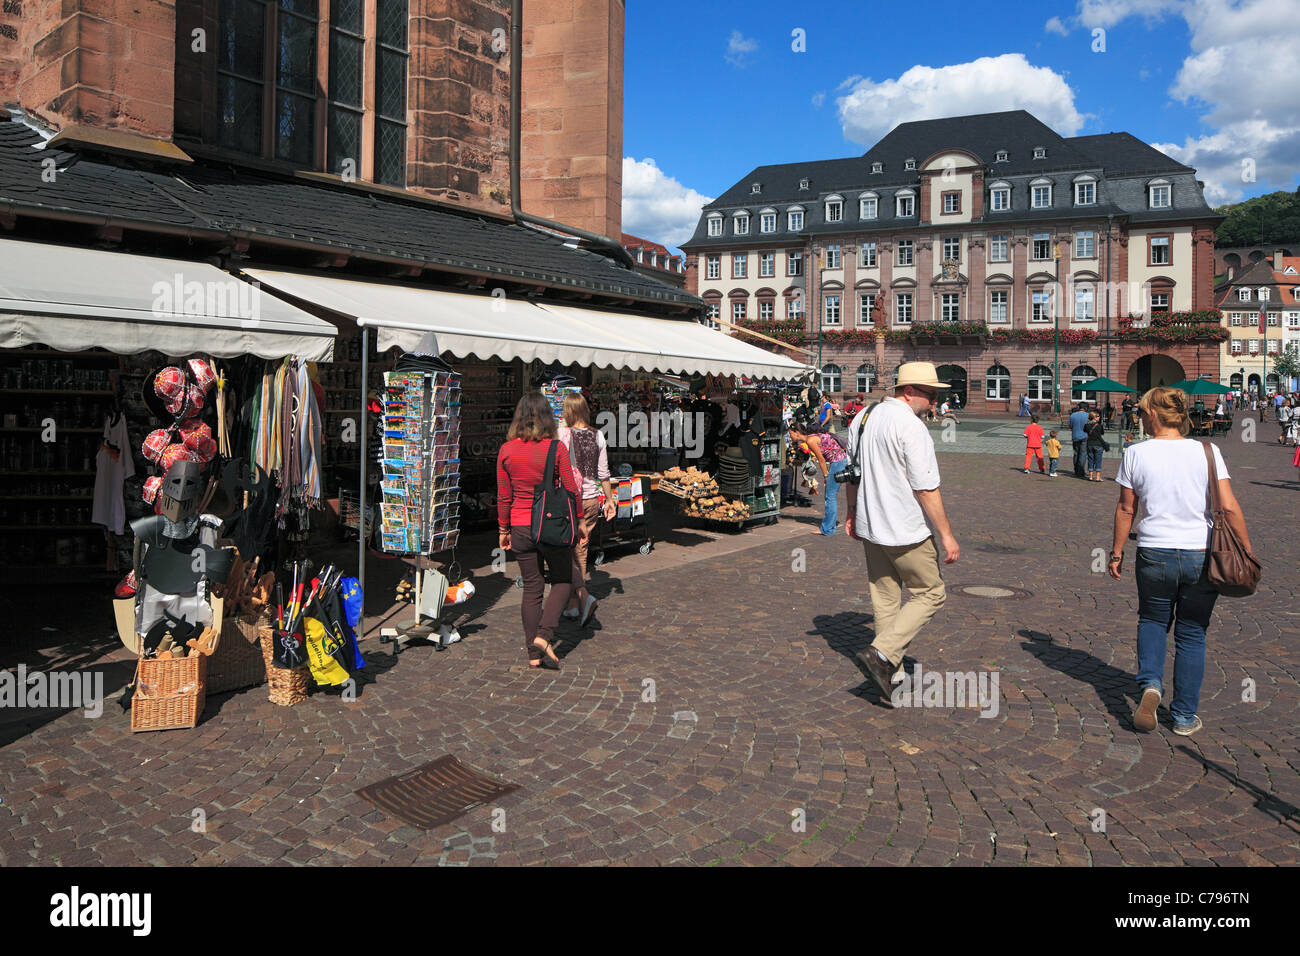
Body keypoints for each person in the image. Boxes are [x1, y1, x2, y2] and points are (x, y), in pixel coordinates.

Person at [1108, 387, 1253, 737]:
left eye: (1141, 413)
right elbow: (1229, 506)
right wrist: (1246, 551)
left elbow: (1127, 508)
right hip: (1201, 553)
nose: (1139, 419)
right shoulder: (1208, 450)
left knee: (1153, 621)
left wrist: (1115, 552)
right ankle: (1185, 715)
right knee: (1192, 632)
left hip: (1154, 550)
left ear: (1154, 416)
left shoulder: (1135, 453)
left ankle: (1151, 686)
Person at [842, 362, 960, 705]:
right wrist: (947, 535)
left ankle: (889, 677)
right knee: (931, 593)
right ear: (909, 391)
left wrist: (852, 511)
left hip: (871, 524)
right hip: (905, 529)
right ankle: (881, 654)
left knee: (885, 599)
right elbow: (926, 488)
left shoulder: (863, 417)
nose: (934, 402)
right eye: (931, 394)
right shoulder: (911, 426)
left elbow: (852, 472)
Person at [496, 392, 580, 669]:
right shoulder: (556, 449)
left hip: (519, 526)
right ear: (548, 418)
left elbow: (503, 496)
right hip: (552, 525)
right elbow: (571, 490)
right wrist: (578, 522)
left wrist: (503, 528)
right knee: (563, 580)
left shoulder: (506, 450)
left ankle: (533, 654)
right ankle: (544, 636)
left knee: (531, 587)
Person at [557, 393, 616, 627]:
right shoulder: (598, 435)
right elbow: (604, 473)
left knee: (565, 550)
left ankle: (577, 599)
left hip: (568, 499)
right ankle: (574, 602)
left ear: (568, 412)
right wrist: (609, 499)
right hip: (591, 499)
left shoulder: (562, 434)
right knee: (581, 549)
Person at [788, 421, 849, 535]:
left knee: (830, 496)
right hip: (840, 461)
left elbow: (821, 460)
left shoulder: (810, 440)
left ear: (797, 433)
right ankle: (829, 526)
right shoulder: (811, 438)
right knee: (830, 496)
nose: (790, 436)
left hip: (838, 463)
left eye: (790, 433)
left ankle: (827, 529)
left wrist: (826, 476)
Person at [1069, 402, 1090, 478]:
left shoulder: (1073, 415)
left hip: (1075, 436)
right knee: (1083, 454)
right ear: (1085, 408)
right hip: (1085, 436)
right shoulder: (1088, 415)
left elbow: (1070, 426)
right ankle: (1081, 471)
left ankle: (1076, 470)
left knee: (1076, 453)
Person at [1086, 410, 1107, 481]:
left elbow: (1085, 430)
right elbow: (1102, 433)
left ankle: (1090, 476)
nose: (1099, 417)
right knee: (1098, 460)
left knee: (1090, 459)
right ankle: (1098, 477)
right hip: (1098, 444)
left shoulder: (1087, 425)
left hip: (1089, 444)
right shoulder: (1099, 426)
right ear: (1094, 417)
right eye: (1097, 416)